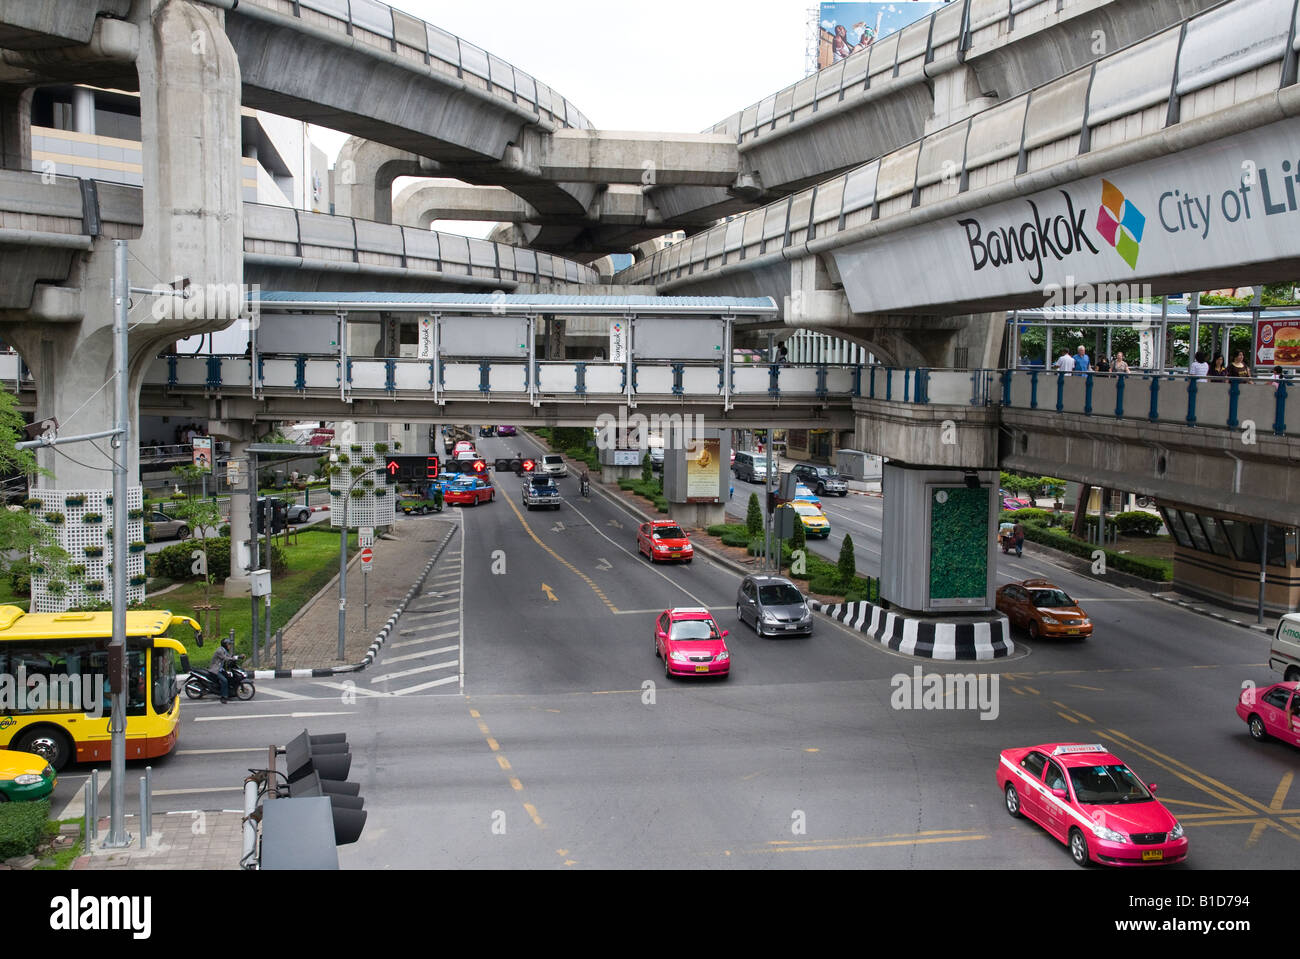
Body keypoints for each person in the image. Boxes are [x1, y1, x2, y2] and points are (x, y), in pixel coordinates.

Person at [209, 637, 236, 704]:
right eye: (229, 644)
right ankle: (223, 697)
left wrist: (238, 657)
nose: (230, 646)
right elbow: (225, 658)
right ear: (225, 645)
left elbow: (230, 656)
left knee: (229, 677)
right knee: (224, 680)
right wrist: (233, 659)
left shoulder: (225, 650)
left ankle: (228, 692)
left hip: (220, 669)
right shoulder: (220, 651)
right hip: (215, 670)